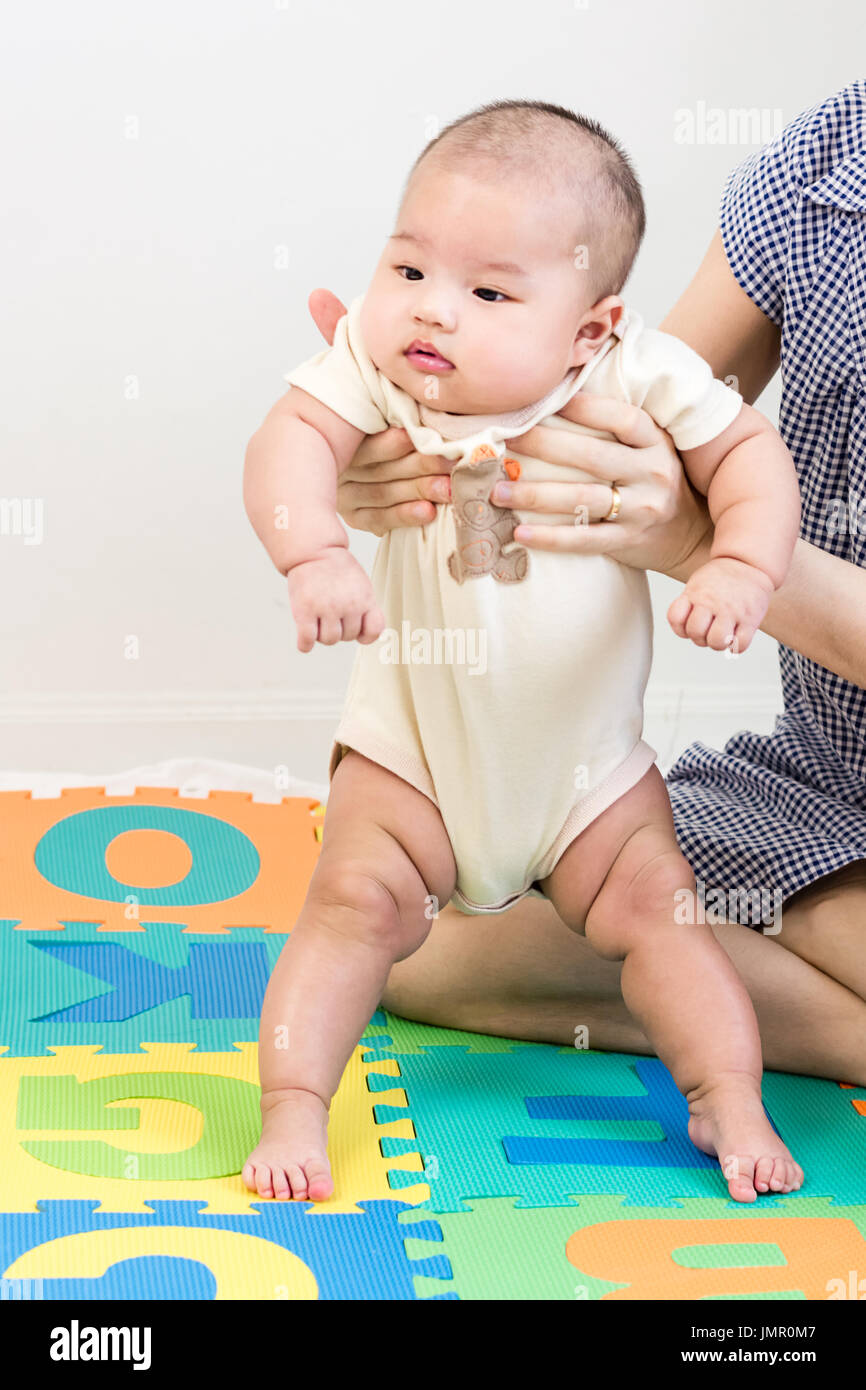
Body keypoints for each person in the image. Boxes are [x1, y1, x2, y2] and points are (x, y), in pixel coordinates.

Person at [241, 99, 806, 1207]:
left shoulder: (633, 375)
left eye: (488, 292)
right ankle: (292, 1104)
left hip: (586, 777)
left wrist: (737, 563)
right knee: (349, 903)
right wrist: (313, 553)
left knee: (662, 914)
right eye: (408, 267)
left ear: (592, 326)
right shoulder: (379, 363)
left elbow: (746, 450)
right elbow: (288, 437)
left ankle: (728, 1093)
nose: (432, 312)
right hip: (411, 755)